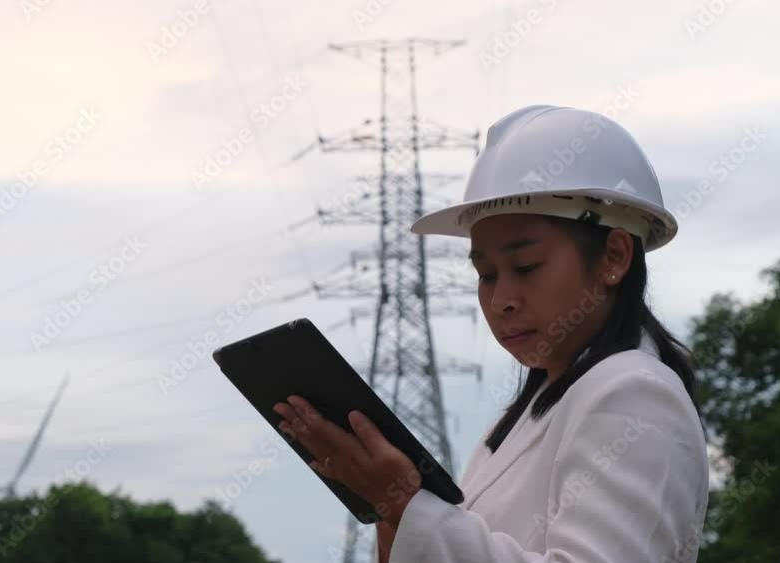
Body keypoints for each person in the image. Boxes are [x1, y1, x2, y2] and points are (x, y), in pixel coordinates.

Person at [272, 104, 709, 563]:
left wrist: (405, 504)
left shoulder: (634, 393)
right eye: (486, 274)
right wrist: (391, 511)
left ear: (614, 257)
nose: (502, 299)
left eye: (526, 267)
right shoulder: (515, 425)